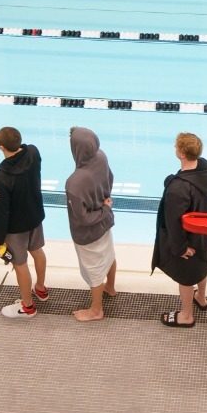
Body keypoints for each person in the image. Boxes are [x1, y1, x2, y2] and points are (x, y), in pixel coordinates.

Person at [153, 132, 207, 327]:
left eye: (176, 147)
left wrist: (180, 248)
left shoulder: (178, 189)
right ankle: (202, 299)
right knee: (202, 265)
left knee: (186, 277)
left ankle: (186, 315)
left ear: (181, 154)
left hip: (188, 241)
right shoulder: (204, 170)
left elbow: (173, 223)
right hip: (204, 234)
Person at [0, 126, 48, 319]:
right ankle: (40, 289)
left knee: (20, 265)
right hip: (35, 216)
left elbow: (1, 213)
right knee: (38, 252)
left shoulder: (1, 177)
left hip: (16, 228)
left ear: (0, 147)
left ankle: (28, 306)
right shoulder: (33, 152)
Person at [65, 127, 116, 322]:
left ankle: (96, 310)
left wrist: (101, 210)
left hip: (88, 233)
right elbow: (110, 180)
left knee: (93, 270)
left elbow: (83, 219)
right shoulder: (101, 157)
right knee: (108, 255)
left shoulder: (74, 183)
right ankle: (110, 288)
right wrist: (105, 207)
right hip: (106, 222)